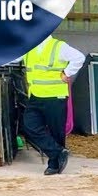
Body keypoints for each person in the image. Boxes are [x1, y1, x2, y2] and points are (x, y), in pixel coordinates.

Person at [19, 34, 86, 175]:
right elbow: (11, 58)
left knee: (57, 131)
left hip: (55, 95)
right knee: (29, 126)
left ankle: (54, 165)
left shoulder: (58, 46)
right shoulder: (27, 47)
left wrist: (67, 73)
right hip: (36, 95)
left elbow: (79, 57)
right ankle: (58, 152)